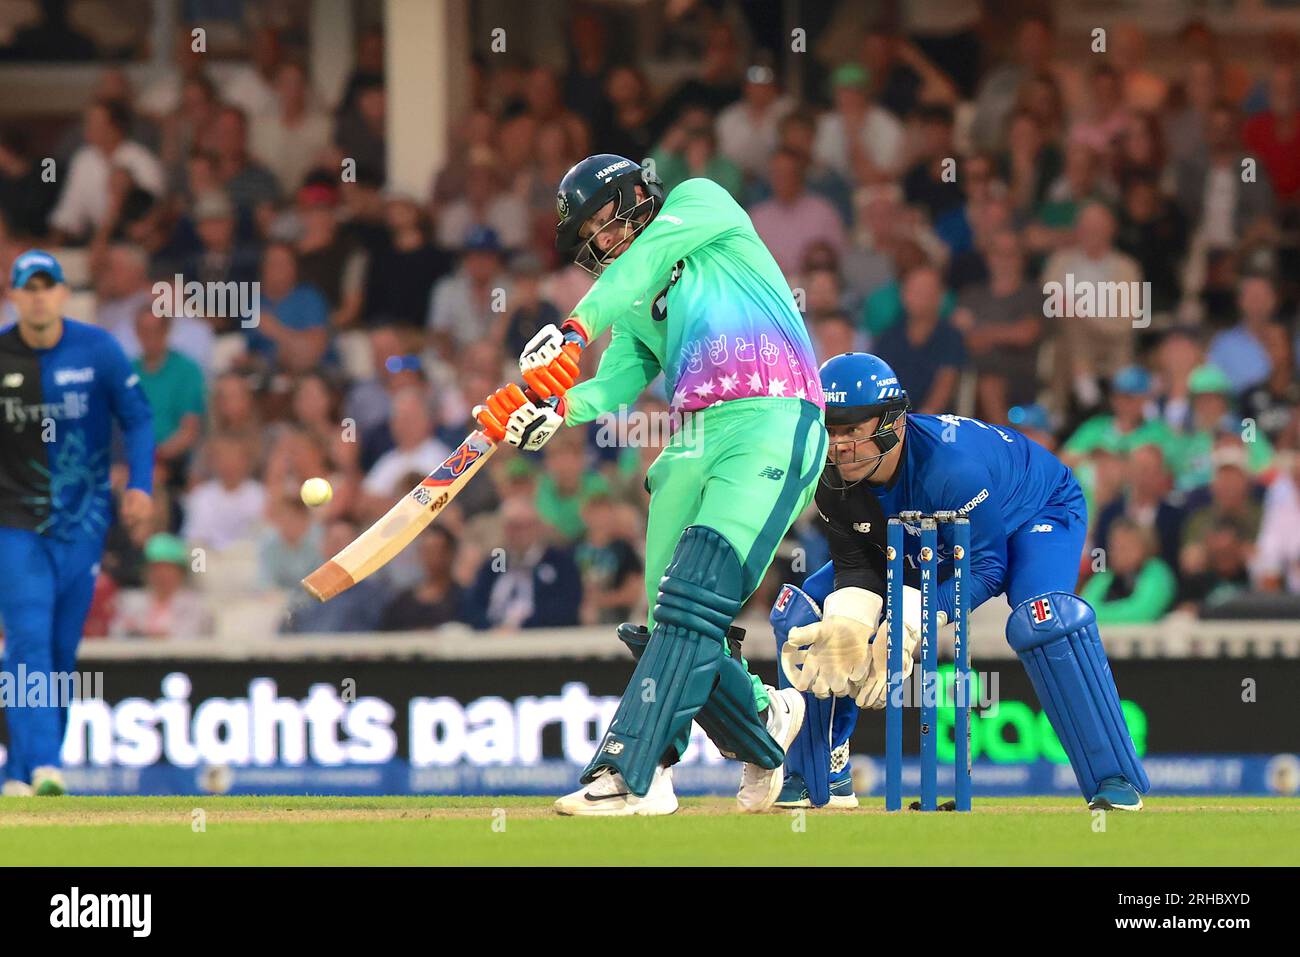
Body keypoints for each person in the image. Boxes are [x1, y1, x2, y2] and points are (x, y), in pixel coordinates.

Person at [473, 154, 827, 816]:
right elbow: (618, 378)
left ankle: (636, 772)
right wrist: (556, 410)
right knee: (665, 619)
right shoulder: (631, 297)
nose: (604, 242)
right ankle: (763, 717)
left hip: (773, 414)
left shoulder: (703, 204)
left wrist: (574, 326)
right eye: (592, 239)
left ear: (637, 192)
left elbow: (643, 260)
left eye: (604, 222)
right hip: (691, 440)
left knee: (695, 590)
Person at [772, 352, 1149, 812]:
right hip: (921, 531)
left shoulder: (949, 468)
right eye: (831, 430)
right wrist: (850, 620)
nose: (839, 446)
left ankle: (1114, 777)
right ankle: (819, 776)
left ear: (893, 422)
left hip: (1031, 511)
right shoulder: (829, 475)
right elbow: (857, 565)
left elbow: (987, 568)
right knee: (803, 610)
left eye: (853, 429)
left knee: (1045, 620)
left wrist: (913, 617)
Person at [0, 250, 154, 795]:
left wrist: (140, 485)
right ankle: (44, 764)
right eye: (28, 287)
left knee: (63, 649)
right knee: (28, 639)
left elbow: (137, 418)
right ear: (13, 295)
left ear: (64, 293)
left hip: (84, 522)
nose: (38, 296)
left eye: (48, 286)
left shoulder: (99, 349)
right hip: (14, 522)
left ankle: (19, 771)